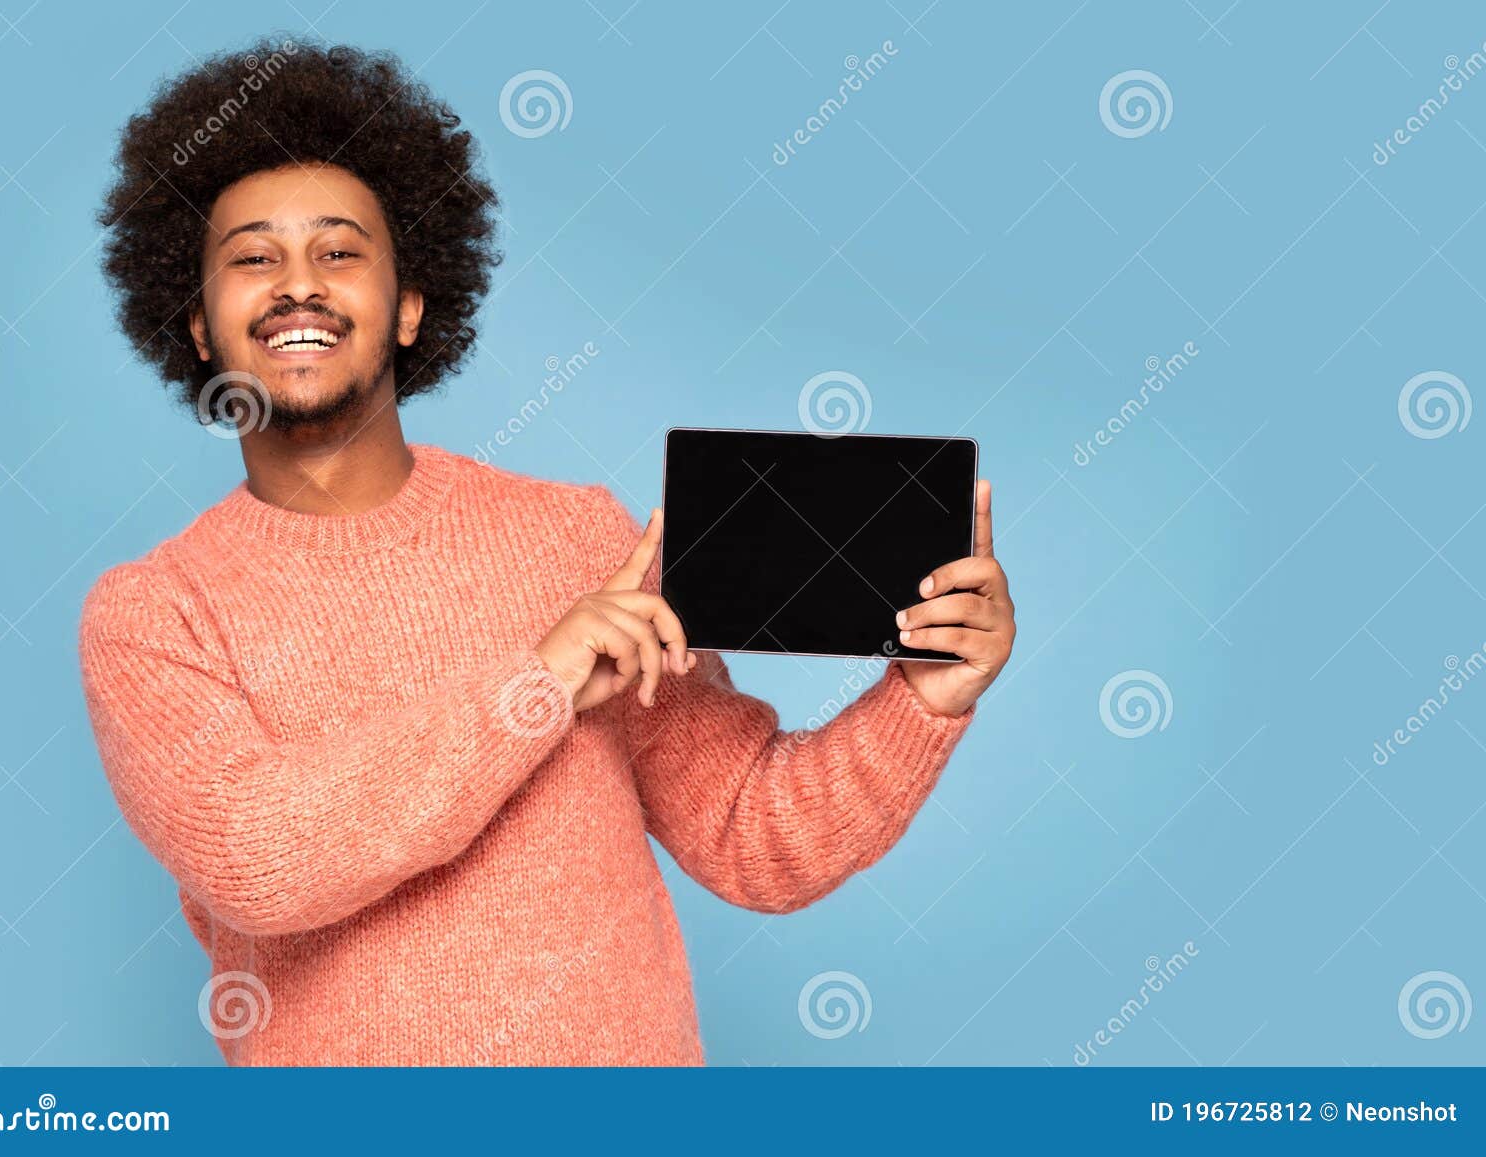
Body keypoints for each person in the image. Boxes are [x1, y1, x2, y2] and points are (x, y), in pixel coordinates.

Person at [79, 39, 1016, 1065]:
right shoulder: (151, 611)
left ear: (408, 306)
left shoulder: (579, 538)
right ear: (200, 325)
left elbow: (752, 834)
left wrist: (926, 696)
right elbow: (265, 863)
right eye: (253, 257)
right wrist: (538, 683)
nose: (297, 286)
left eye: (340, 252)